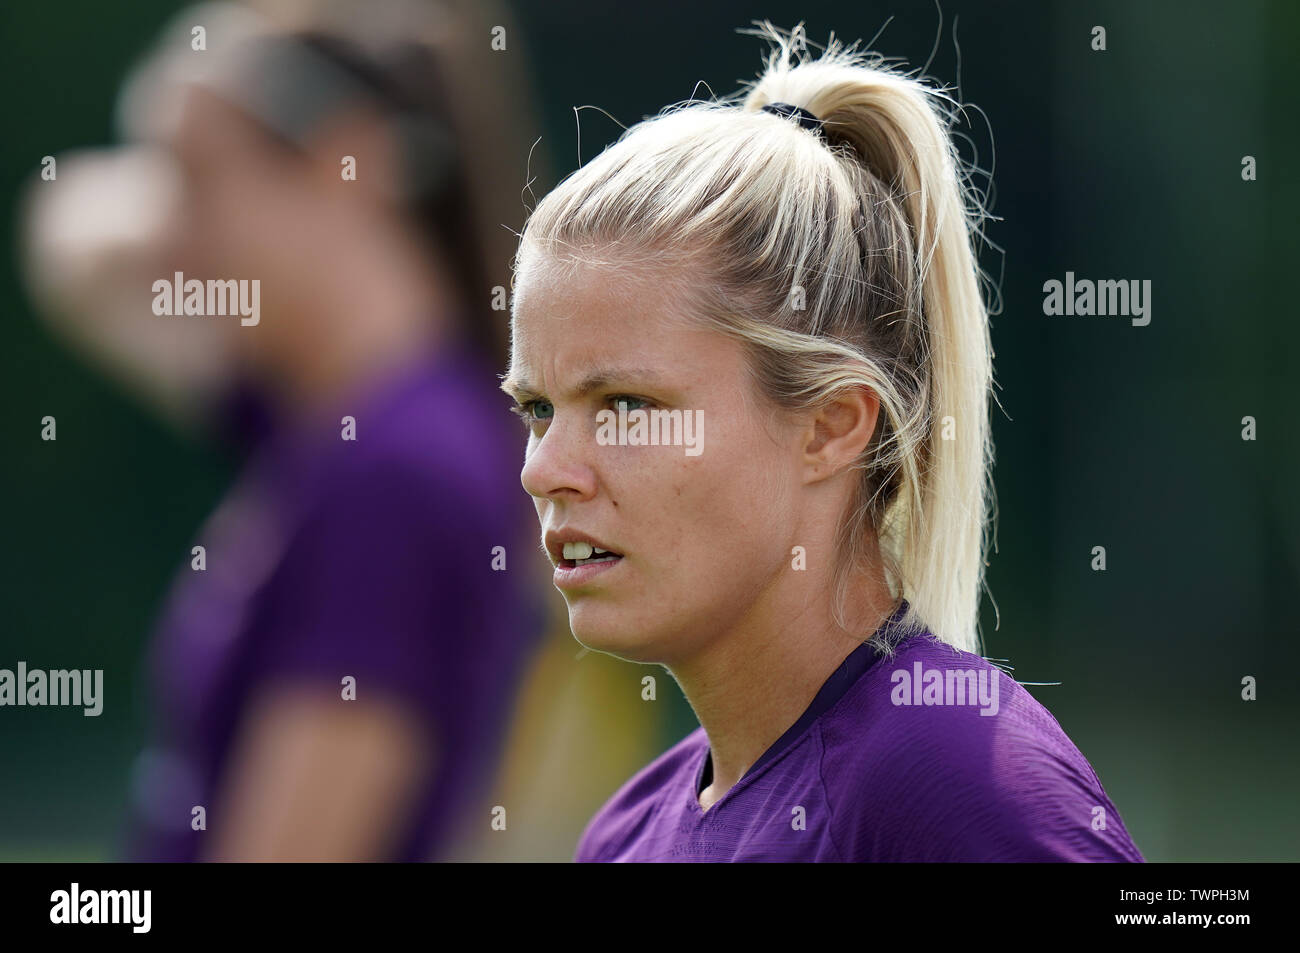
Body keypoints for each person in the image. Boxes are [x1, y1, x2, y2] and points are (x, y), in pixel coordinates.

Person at [502, 23, 1144, 862]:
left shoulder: (953, 779)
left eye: (626, 403)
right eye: (538, 408)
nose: (543, 469)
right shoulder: (624, 833)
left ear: (831, 425)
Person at [22, 0, 546, 861]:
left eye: (196, 183)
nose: (171, 243)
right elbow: (70, 250)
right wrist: (198, 107)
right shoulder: (324, 425)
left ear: (349, 160)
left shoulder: (395, 474)